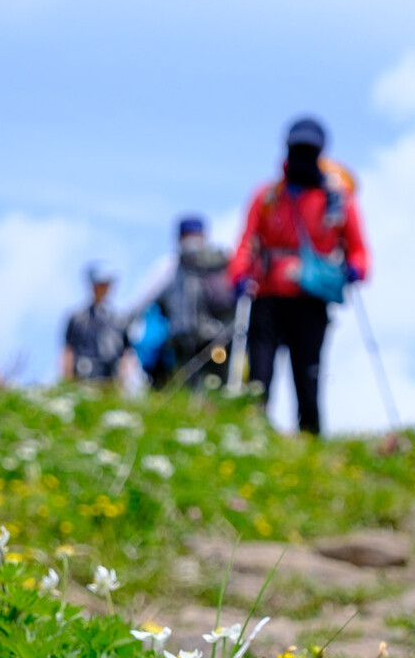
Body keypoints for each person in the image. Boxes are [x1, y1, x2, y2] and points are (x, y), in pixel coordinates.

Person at [227, 116, 369, 435]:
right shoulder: (267, 197)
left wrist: (354, 269)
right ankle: (252, 432)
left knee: (308, 375)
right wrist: (238, 276)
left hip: (311, 301)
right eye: (298, 149)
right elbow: (246, 242)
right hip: (266, 295)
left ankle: (309, 437)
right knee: (259, 374)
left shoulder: (336, 201)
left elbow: (359, 249)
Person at [128, 215, 235, 388]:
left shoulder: (169, 265)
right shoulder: (223, 262)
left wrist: (124, 323)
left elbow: (142, 300)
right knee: (217, 388)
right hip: (221, 338)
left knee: (186, 387)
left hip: (183, 340)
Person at [61, 261, 127, 383]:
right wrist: (67, 383)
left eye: (106, 284)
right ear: (92, 285)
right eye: (100, 284)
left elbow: (126, 354)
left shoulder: (118, 321)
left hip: (110, 384)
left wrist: (123, 381)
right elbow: (68, 352)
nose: (103, 288)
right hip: (84, 380)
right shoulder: (77, 319)